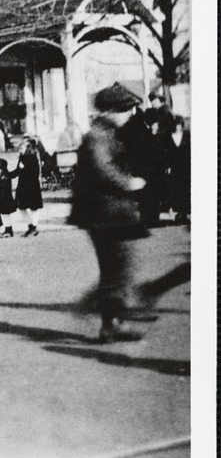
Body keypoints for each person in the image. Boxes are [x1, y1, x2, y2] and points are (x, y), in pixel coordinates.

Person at [68, 82, 149, 343]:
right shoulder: (98, 136)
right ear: (111, 111)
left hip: (109, 214)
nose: (129, 115)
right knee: (118, 269)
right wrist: (128, 183)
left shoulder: (106, 133)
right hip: (106, 216)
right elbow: (101, 169)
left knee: (118, 270)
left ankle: (112, 322)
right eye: (125, 110)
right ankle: (108, 320)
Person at [160, 115, 190, 224]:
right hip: (173, 168)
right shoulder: (168, 136)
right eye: (176, 125)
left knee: (184, 190)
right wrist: (167, 166)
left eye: (180, 125)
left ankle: (184, 213)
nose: (178, 127)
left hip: (185, 168)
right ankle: (176, 212)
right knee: (174, 190)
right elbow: (165, 153)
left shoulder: (186, 136)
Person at [13, 136, 44, 237]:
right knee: (22, 207)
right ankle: (30, 226)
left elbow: (34, 173)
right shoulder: (22, 157)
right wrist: (7, 175)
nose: (20, 151)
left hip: (31, 186)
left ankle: (34, 227)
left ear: (27, 148)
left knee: (33, 208)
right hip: (22, 186)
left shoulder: (33, 157)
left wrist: (23, 169)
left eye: (21, 148)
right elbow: (17, 171)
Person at [0, 160, 18, 237]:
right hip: (5, 200)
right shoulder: (4, 176)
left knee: (6, 215)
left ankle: (8, 230)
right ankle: (8, 229)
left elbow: (3, 190)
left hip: (5, 200)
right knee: (5, 216)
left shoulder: (4, 178)